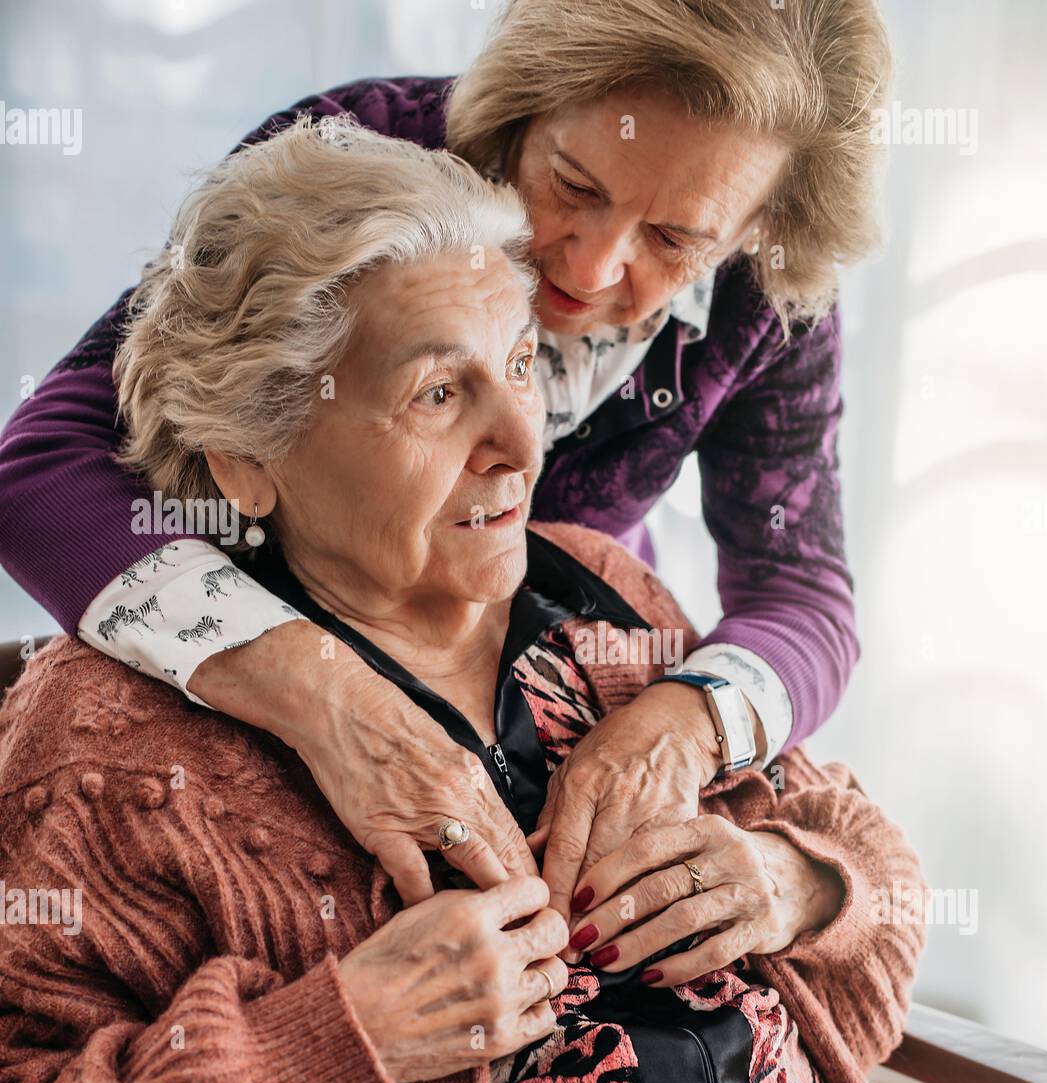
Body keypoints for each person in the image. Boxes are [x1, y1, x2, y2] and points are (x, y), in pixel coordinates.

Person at [0, 119, 989, 1083]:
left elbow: (874, 881)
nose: (524, 444)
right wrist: (325, 1043)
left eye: (523, 365)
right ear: (244, 456)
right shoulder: (112, 748)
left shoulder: (603, 592)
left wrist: (795, 883)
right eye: (436, 393)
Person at [0, 0, 890, 925]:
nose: (588, 270)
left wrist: (681, 728)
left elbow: (801, 591)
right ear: (526, 102)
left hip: (551, 691)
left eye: (674, 241)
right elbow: (39, 471)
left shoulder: (765, 296)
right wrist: (324, 693)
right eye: (574, 185)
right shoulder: (356, 165)